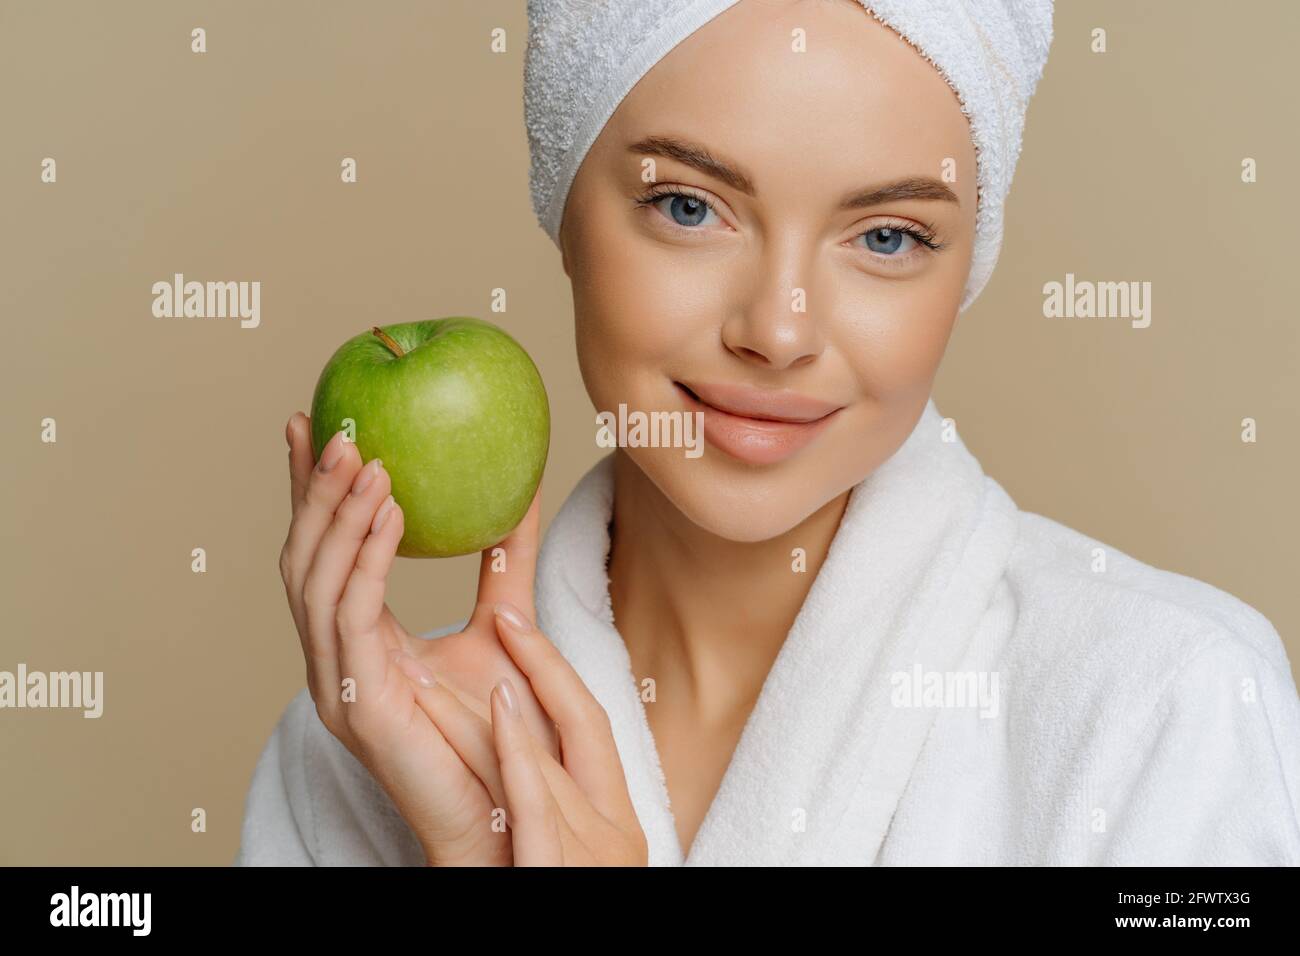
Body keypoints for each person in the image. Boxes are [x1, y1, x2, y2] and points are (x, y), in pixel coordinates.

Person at [235, 0, 1300, 866]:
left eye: (886, 235)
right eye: (690, 207)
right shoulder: (361, 749)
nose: (778, 330)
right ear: (562, 208)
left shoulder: (1170, 704)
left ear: (967, 263)